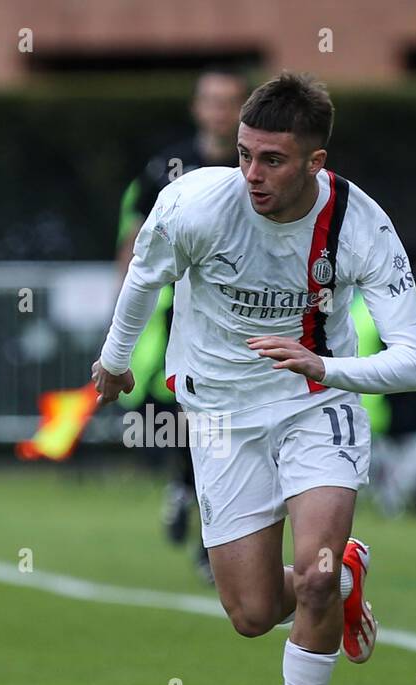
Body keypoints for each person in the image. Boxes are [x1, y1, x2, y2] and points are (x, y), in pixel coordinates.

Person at [92, 72, 416, 685]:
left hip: (315, 404)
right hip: (218, 415)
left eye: (271, 160)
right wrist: (116, 364)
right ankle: (343, 584)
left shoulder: (359, 224)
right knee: (251, 614)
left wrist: (326, 365)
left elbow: (415, 363)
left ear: (315, 163)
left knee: (310, 572)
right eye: (245, 154)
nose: (251, 174)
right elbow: (143, 279)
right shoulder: (193, 205)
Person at [115, 67, 247, 582]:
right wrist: (126, 305)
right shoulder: (165, 168)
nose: (218, 110)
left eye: (228, 101)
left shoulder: (256, 167)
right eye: (210, 100)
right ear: (197, 107)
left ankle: (208, 532)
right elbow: (136, 241)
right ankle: (187, 496)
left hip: (245, 319)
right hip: (184, 318)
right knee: (190, 421)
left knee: (232, 431)